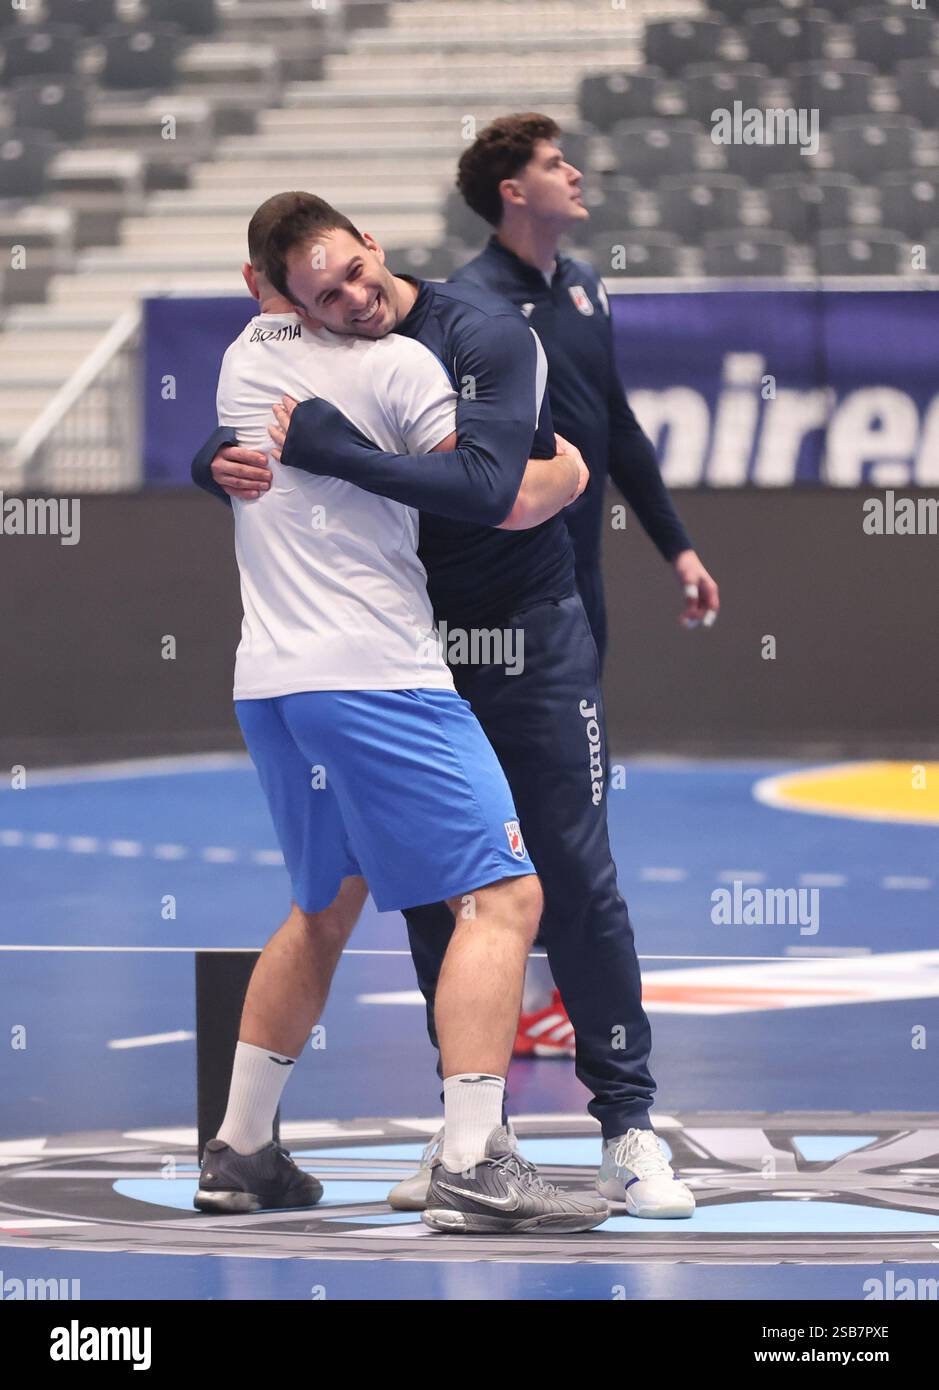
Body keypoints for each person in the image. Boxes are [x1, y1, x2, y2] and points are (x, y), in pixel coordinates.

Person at [192, 193, 695, 1220]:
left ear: (375, 245)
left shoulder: (249, 354)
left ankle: (241, 1150)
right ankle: (475, 1155)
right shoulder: (401, 368)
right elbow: (494, 492)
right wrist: (556, 468)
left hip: (272, 684)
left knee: (324, 905)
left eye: (358, 273)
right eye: (328, 290)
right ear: (277, 292)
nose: (354, 296)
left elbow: (481, 484)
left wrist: (221, 457)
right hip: (380, 673)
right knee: (507, 896)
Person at [450, 112, 721, 1060]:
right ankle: (508, 1001)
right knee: (503, 812)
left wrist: (676, 549)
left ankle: (552, 999)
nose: (576, 174)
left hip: (577, 595)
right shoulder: (465, 305)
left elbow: (618, 427)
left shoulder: (585, 289)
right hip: (495, 603)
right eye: (555, 164)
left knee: (575, 807)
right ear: (512, 192)